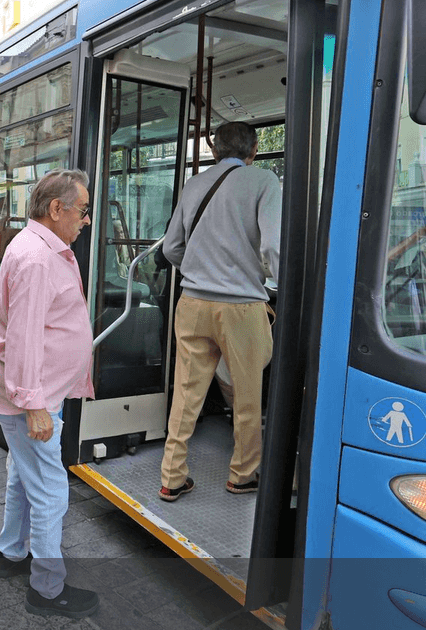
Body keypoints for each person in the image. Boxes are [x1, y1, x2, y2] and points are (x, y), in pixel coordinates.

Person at [0, 168, 98, 619]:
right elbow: (25, 336)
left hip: (38, 392)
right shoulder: (39, 258)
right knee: (50, 491)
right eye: (82, 211)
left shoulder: (37, 248)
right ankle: (47, 589)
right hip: (35, 396)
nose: (85, 220)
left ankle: (10, 554)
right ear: (56, 209)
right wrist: (34, 406)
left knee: (21, 476)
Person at [158, 121, 280, 502]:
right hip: (241, 307)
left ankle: (172, 477)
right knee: (247, 395)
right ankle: (242, 475)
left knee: (186, 394)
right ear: (254, 150)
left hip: (192, 303)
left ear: (215, 151)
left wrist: (199, 268)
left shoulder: (193, 185)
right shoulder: (264, 182)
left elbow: (171, 249)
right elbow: (274, 249)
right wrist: (271, 279)